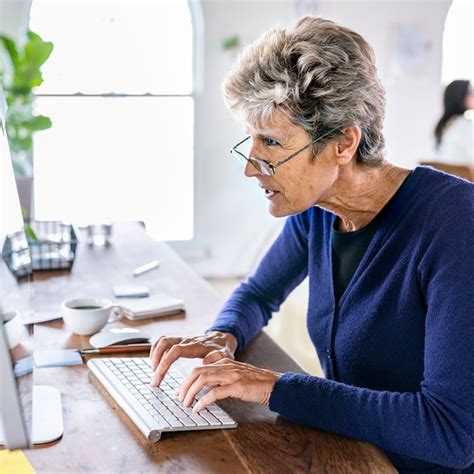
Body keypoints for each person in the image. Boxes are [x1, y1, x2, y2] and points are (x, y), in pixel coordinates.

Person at [150, 17, 473, 473]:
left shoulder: (456, 223)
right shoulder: (320, 211)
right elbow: (259, 293)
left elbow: (451, 433)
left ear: (344, 143)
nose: (251, 166)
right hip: (354, 453)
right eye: (252, 139)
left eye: (272, 142)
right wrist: (223, 334)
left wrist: (271, 386)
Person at [434, 79, 474, 167]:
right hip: (465, 178)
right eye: (471, 92)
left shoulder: (448, 124)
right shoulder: (463, 125)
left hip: (451, 178)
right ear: (460, 97)